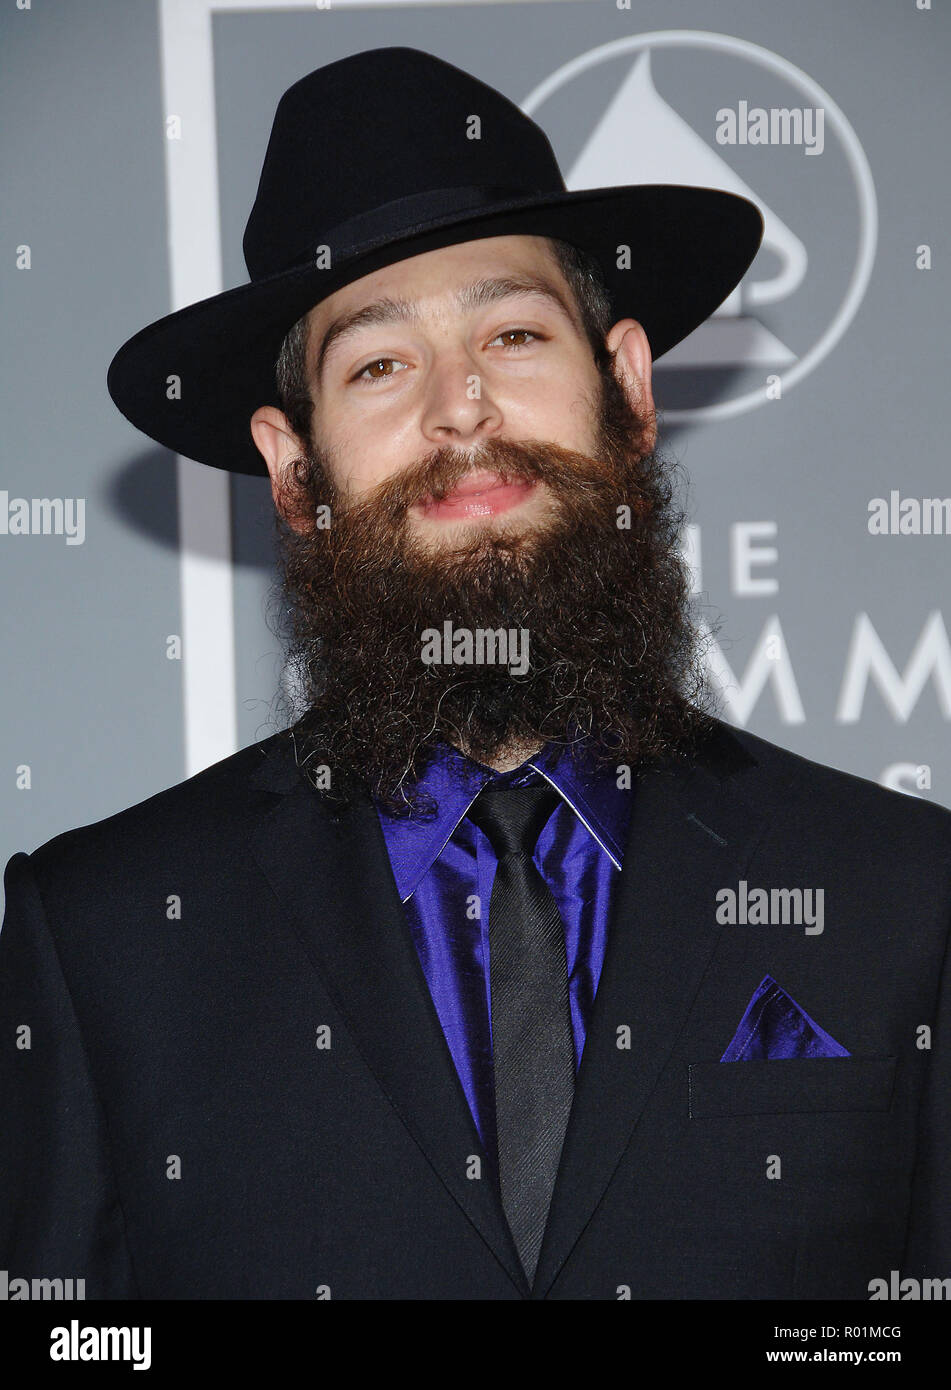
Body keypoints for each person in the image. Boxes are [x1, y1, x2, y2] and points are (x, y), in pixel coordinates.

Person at [1, 46, 948, 1302]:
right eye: (380, 364)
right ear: (292, 469)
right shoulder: (109, 937)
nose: (464, 410)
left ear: (626, 383)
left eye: (512, 331)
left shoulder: (902, 897)